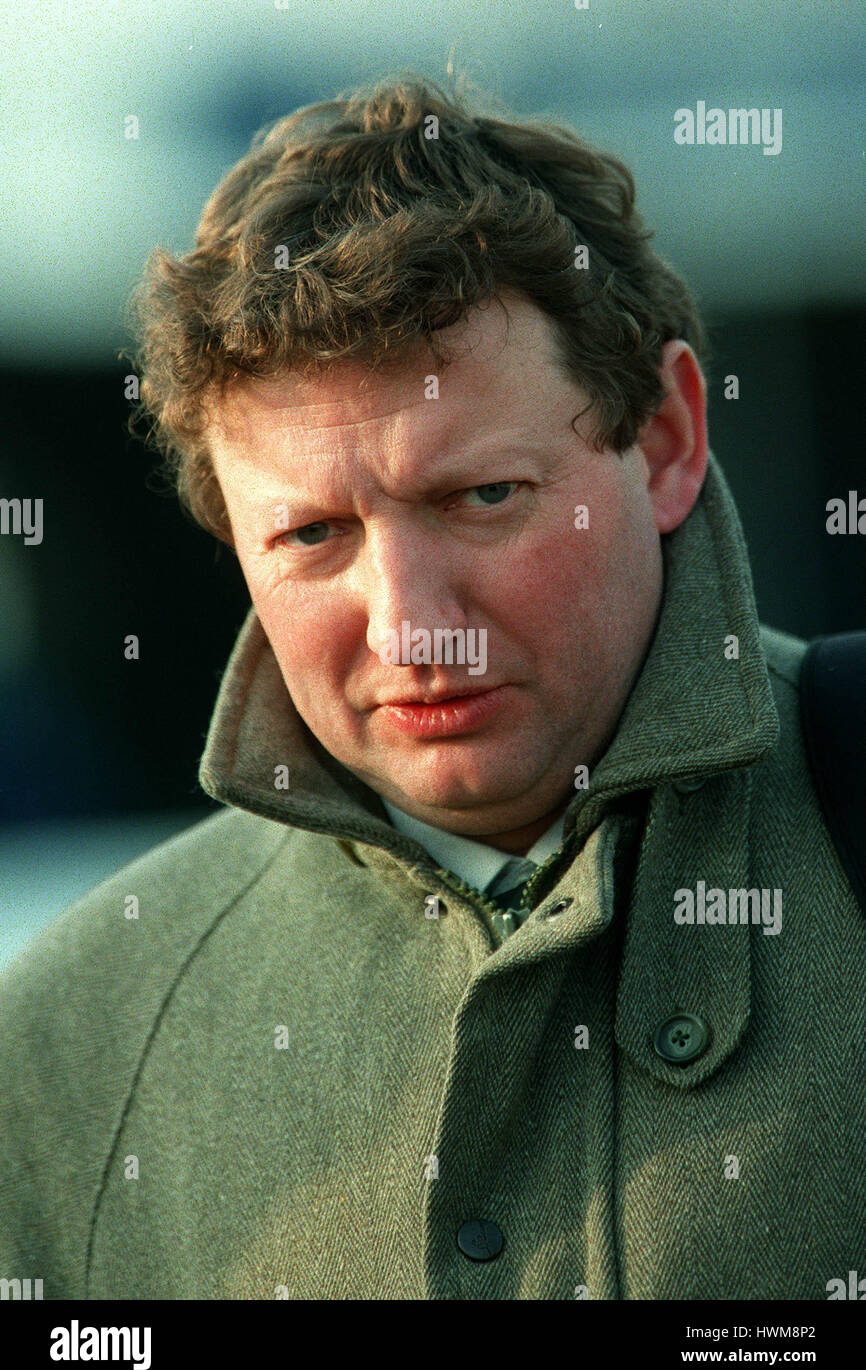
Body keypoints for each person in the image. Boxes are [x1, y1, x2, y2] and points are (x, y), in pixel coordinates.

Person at [1, 73, 863, 1302]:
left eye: (482, 498)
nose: (415, 628)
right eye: (310, 536)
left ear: (664, 441)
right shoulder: (64, 1054)